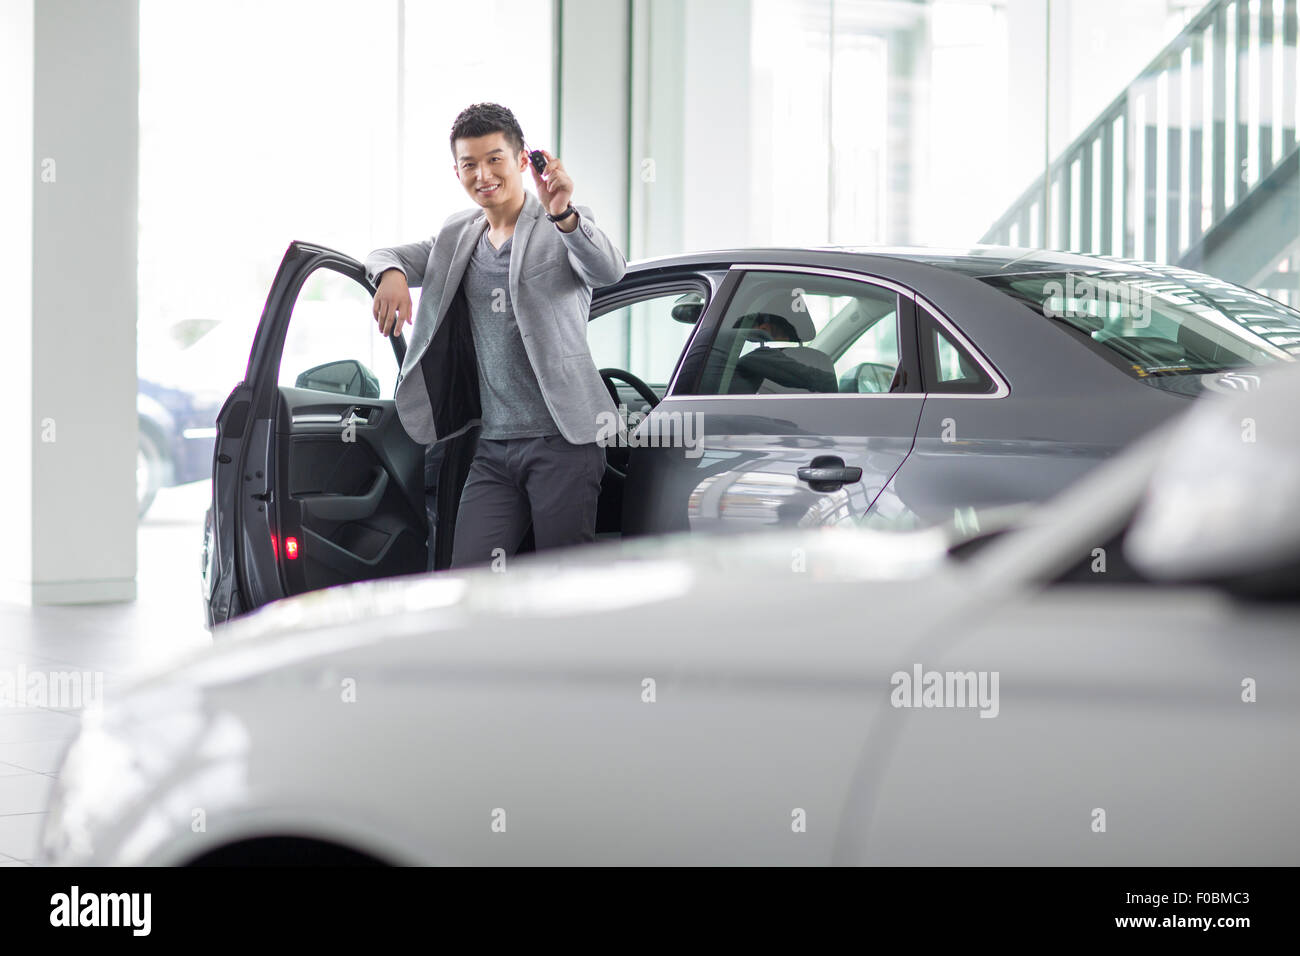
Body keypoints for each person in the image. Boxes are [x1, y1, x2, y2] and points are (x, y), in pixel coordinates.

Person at [365, 103, 626, 569]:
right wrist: (390, 273)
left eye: (494, 159)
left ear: (523, 160)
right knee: (470, 577)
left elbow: (608, 270)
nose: (482, 174)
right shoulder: (457, 235)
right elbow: (385, 253)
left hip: (564, 442)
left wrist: (563, 213)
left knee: (564, 582)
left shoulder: (561, 223)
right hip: (493, 446)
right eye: (470, 164)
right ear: (457, 170)